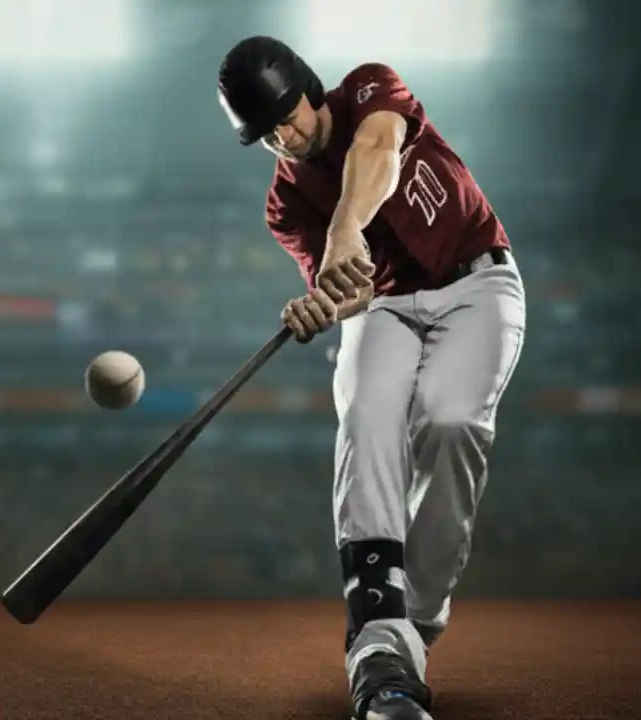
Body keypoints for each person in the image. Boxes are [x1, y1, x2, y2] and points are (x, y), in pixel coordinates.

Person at [218, 37, 527, 719]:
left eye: (288, 116)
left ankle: (416, 620)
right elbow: (351, 289)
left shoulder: (366, 88)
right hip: (385, 306)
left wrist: (343, 232)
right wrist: (321, 301)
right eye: (266, 133)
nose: (285, 136)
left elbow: (377, 153)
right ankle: (379, 640)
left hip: (478, 282)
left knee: (451, 422)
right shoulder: (284, 203)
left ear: (308, 87)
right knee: (366, 414)